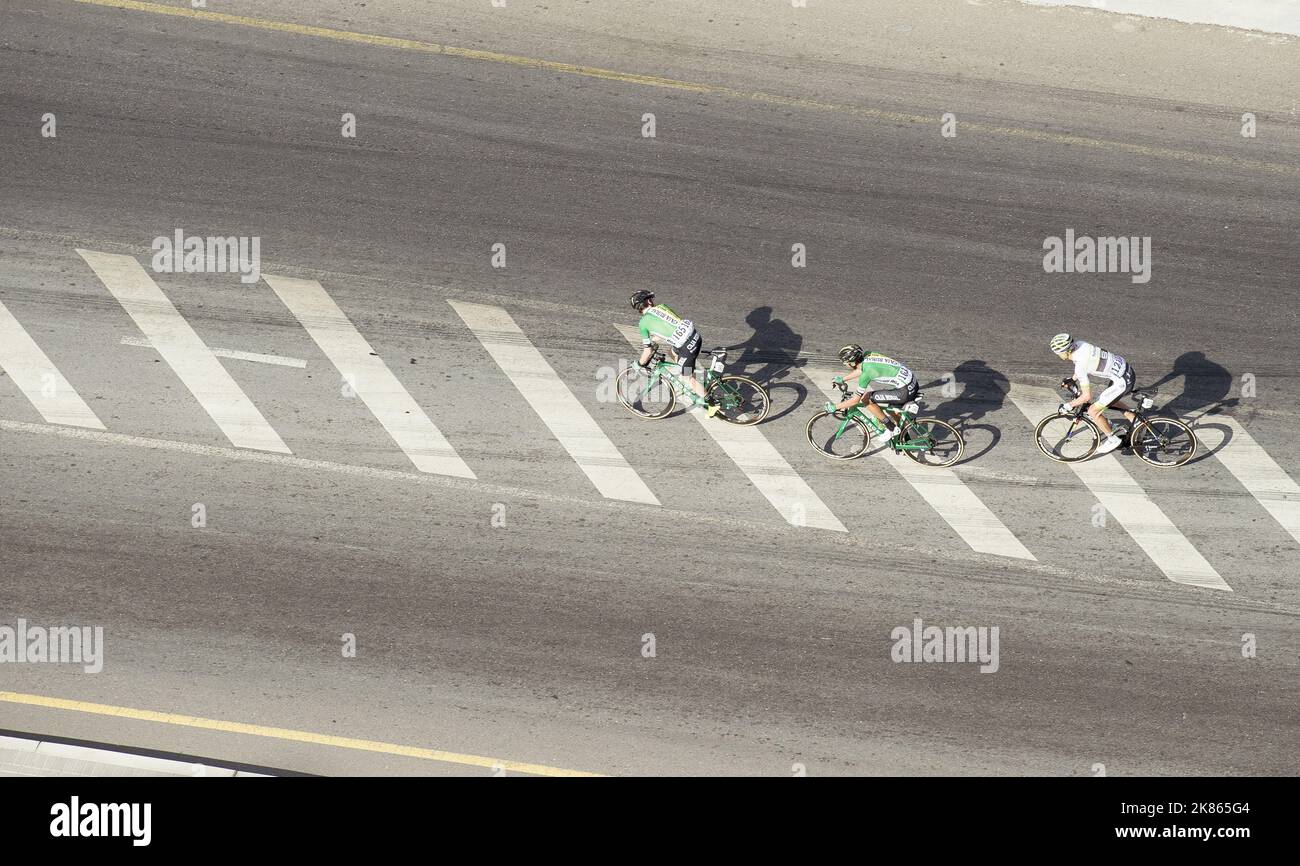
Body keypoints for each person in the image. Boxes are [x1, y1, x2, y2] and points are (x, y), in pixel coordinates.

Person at [630, 291, 719, 417]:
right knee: (671, 352)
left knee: (688, 378)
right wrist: (654, 339)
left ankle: (712, 403)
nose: (652, 301)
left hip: (687, 347)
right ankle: (687, 369)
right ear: (648, 302)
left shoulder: (643, 323)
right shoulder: (662, 307)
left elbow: (647, 351)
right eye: (650, 299)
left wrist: (639, 364)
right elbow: (670, 327)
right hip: (695, 336)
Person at [1049, 332, 1137, 456]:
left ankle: (1112, 439)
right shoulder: (1080, 344)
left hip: (1122, 381)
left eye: (1058, 353)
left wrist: (1068, 405)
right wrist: (1073, 379)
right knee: (1111, 399)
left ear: (1066, 351)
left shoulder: (1080, 365)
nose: (1058, 355)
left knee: (1092, 411)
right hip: (1126, 370)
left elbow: (1087, 396)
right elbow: (1084, 365)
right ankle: (1136, 420)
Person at [825, 344, 918, 440]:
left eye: (845, 363)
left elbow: (855, 401)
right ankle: (904, 438)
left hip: (905, 391)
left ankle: (891, 428)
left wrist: (835, 407)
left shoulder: (866, 374)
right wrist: (843, 379)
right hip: (912, 383)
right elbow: (861, 370)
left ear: (852, 363)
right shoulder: (868, 355)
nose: (845, 365)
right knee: (888, 407)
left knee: (867, 399)